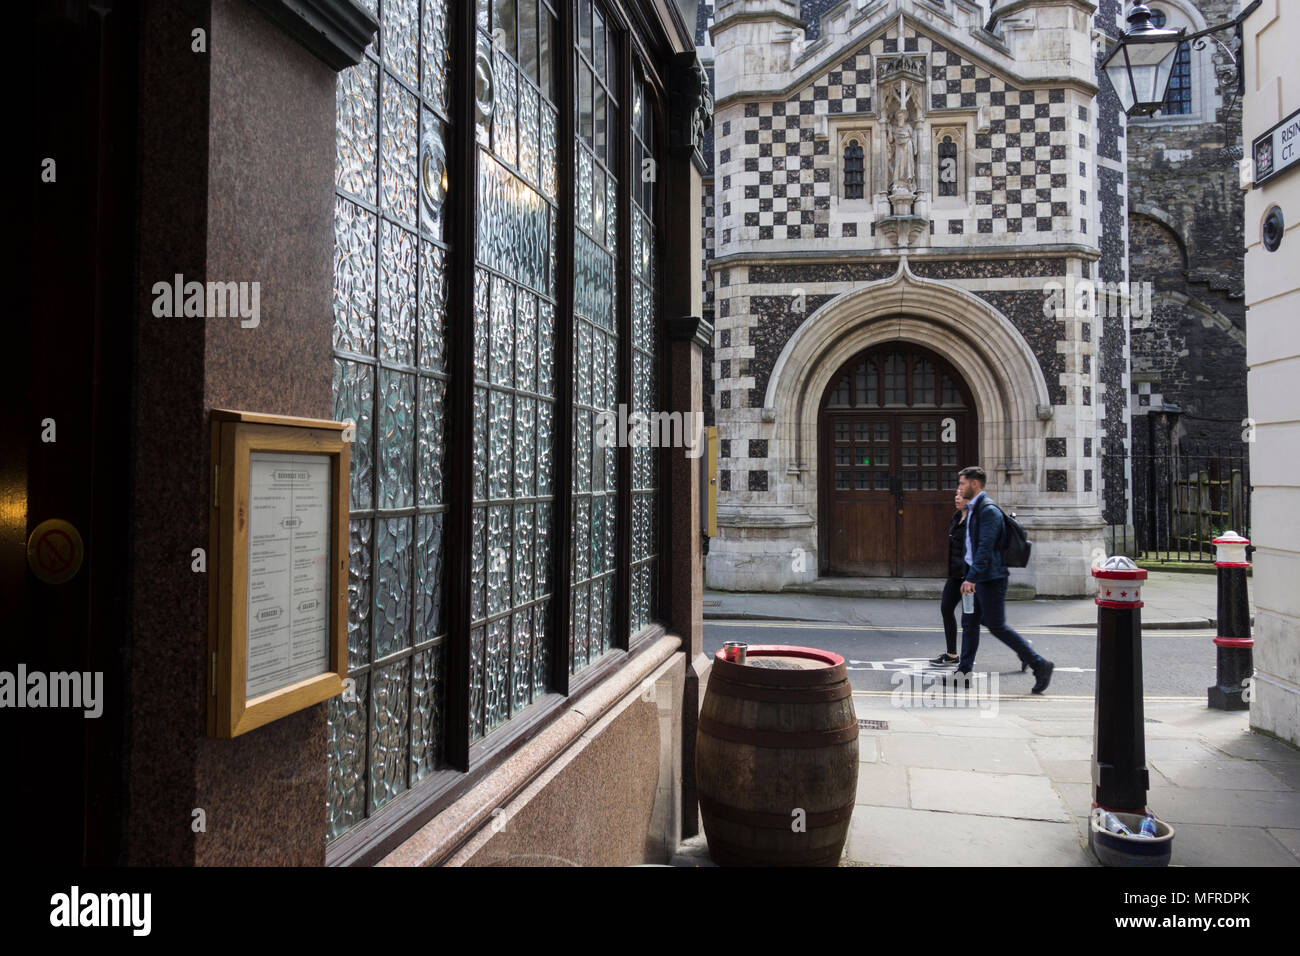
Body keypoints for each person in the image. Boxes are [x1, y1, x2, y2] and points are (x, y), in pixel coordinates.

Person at [951, 465, 1055, 694]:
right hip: (975, 577)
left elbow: (985, 549)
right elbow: (971, 547)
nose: (959, 487)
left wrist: (972, 578)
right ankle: (963, 674)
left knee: (996, 625)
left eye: (962, 483)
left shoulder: (988, 511)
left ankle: (1039, 663)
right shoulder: (973, 510)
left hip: (990, 579)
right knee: (969, 623)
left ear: (975, 484)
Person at [929, 490, 969, 666]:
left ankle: (1025, 654)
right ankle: (952, 655)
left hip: (970, 578)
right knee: (946, 608)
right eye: (956, 494)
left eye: (961, 495)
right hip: (955, 575)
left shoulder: (974, 520)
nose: (956, 497)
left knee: (988, 622)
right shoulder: (956, 517)